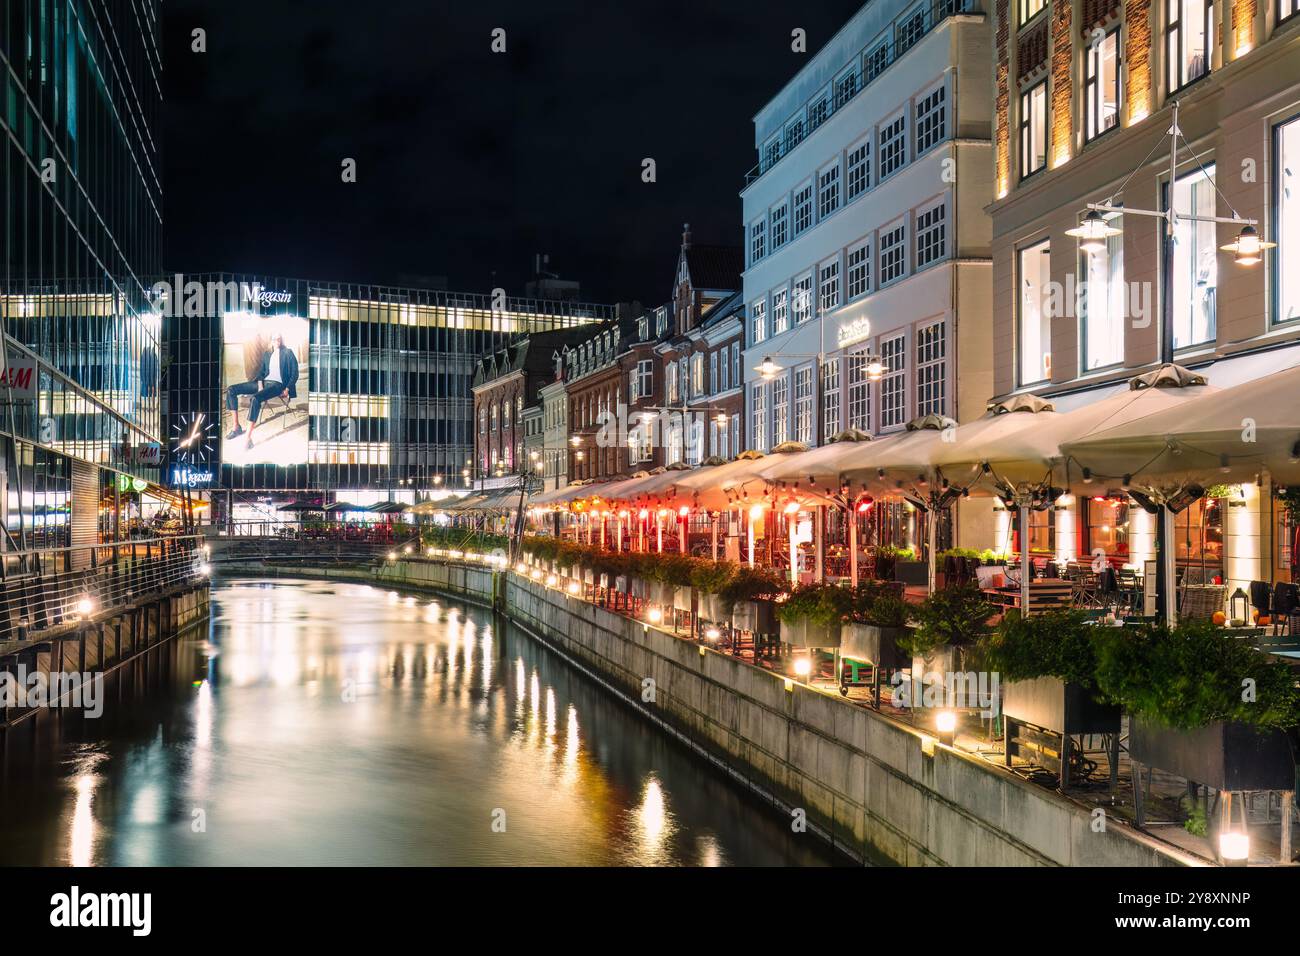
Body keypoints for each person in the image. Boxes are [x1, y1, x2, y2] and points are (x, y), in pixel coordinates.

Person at [225, 333, 300, 449]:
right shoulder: (267, 354)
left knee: (255, 398)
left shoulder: (288, 352)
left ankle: (248, 439)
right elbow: (261, 372)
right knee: (231, 390)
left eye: (279, 338)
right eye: (274, 339)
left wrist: (287, 388)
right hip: (264, 382)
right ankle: (236, 427)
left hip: (277, 385)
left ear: (281, 339)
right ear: (271, 340)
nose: (277, 341)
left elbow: (295, 373)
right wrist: (260, 384)